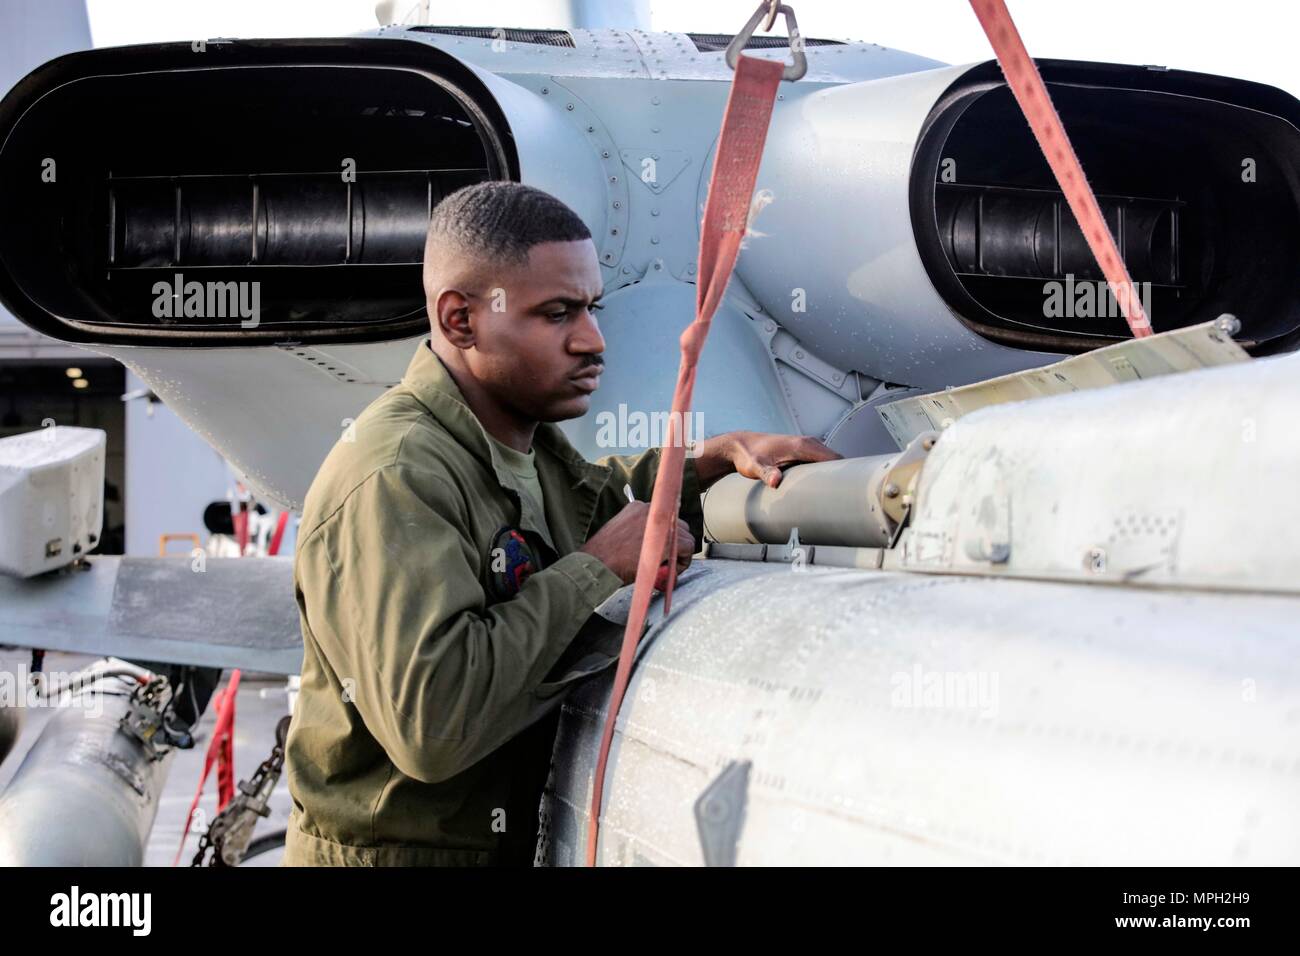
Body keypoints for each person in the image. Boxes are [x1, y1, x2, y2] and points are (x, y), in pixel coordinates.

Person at [282, 181, 839, 866]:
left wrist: (710, 460)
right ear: (460, 319)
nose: (592, 341)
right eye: (557, 314)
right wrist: (598, 569)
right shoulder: (395, 476)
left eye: (591, 309)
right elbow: (431, 724)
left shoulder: (521, 443)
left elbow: (593, 500)